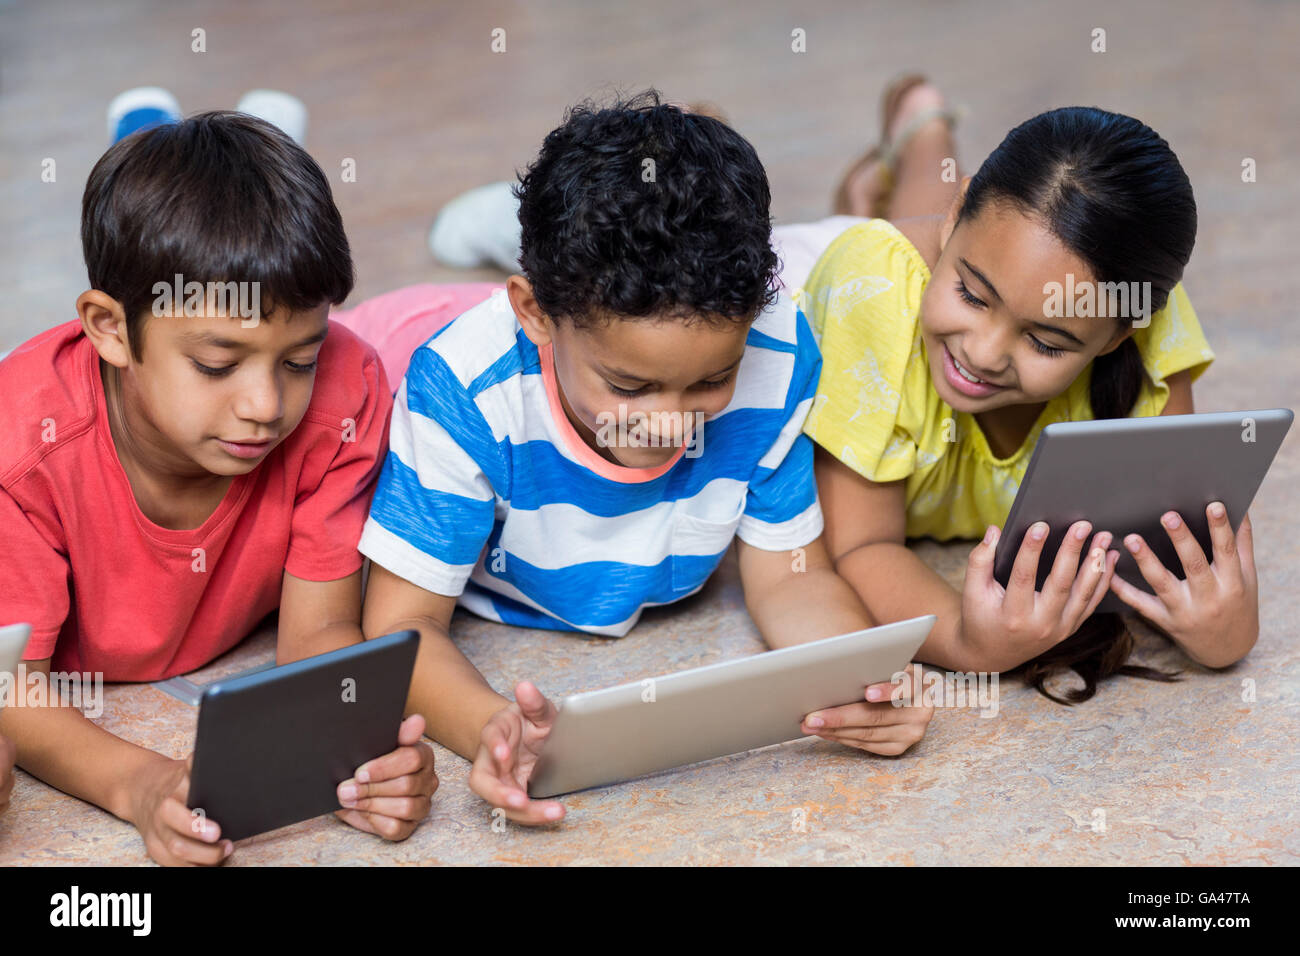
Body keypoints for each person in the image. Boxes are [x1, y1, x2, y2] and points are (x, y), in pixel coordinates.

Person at [355, 90, 936, 827]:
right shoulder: (459, 392)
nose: (668, 424)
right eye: (630, 386)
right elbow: (403, 628)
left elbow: (793, 578)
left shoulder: (779, 353)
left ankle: (914, 133)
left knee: (866, 236)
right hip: (397, 336)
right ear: (534, 313)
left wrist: (860, 678)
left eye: (710, 381)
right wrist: (491, 731)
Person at [0, 93, 436, 865]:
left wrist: (360, 757)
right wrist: (140, 785)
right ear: (108, 330)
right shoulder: (21, 446)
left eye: (298, 358)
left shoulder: (343, 395)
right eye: (216, 364)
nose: (266, 407)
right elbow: (14, 691)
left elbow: (319, 631)